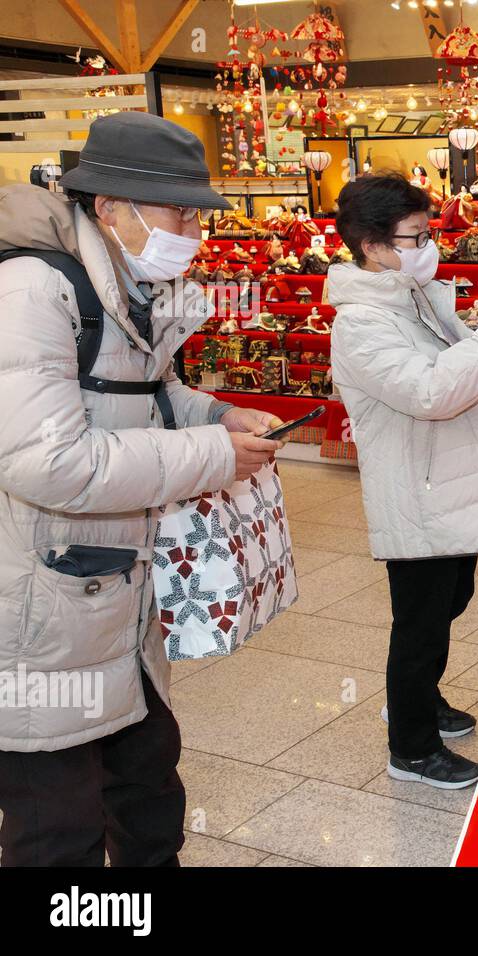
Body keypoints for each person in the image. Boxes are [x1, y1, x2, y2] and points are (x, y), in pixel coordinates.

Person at [0, 110, 284, 867]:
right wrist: (210, 454)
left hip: (120, 598)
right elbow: (48, 463)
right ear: (108, 206)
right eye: (178, 209)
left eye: (196, 211)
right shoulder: (32, 291)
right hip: (38, 611)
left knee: (150, 797)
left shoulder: (133, 283)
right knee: (57, 825)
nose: (190, 228)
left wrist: (220, 413)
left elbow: (151, 394)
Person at [328, 172, 478, 791]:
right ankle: (410, 746)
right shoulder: (360, 324)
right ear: (371, 245)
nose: (426, 246)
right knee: (419, 622)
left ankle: (422, 703)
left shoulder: (420, 297)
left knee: (452, 601)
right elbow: (432, 392)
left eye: (427, 233)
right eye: (413, 236)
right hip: (418, 490)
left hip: (453, 480)